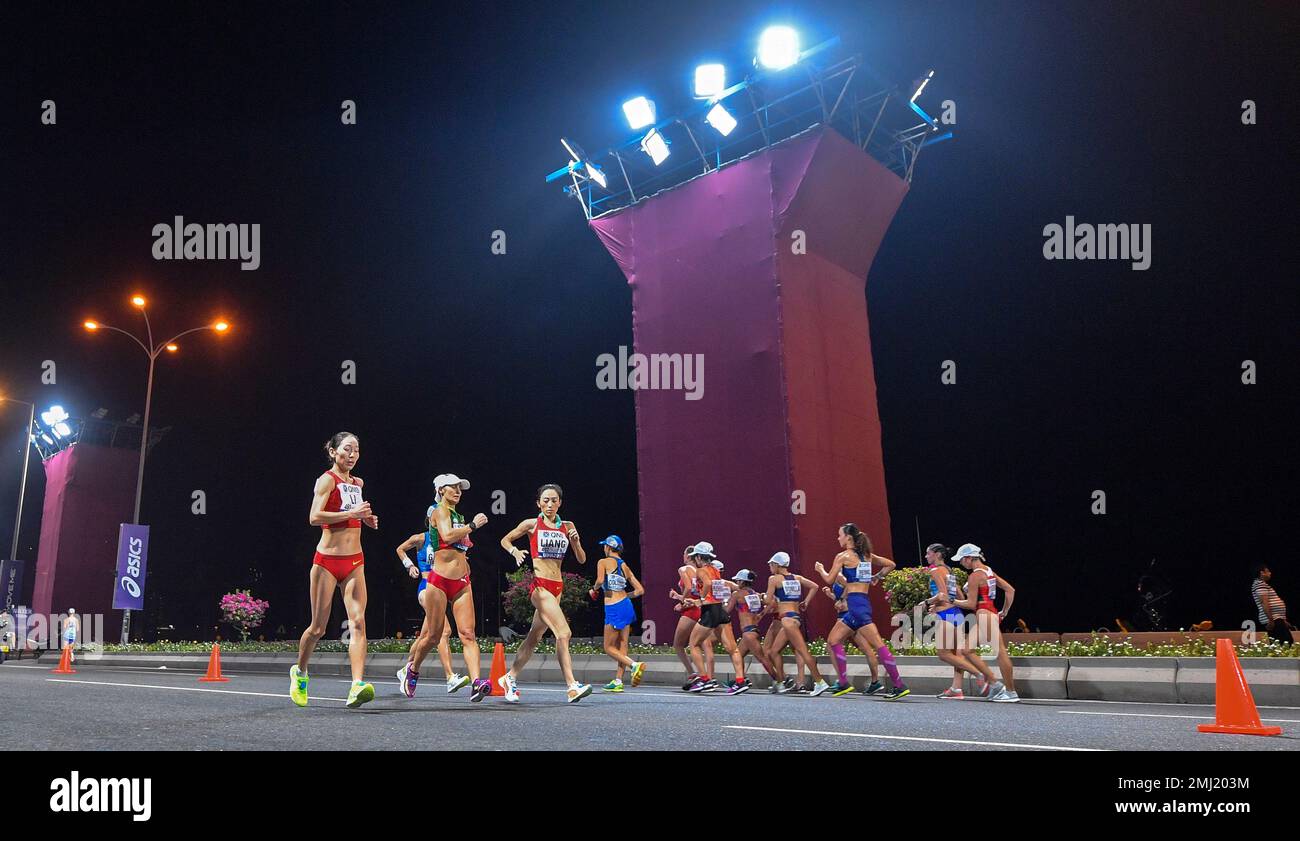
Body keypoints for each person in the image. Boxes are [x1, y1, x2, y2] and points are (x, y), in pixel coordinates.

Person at [293, 432, 378, 709]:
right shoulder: (326, 479)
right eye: (347, 449)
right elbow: (314, 517)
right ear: (332, 452)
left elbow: (353, 513)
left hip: (355, 562)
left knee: (358, 622)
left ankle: (356, 686)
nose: (352, 455)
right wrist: (350, 515)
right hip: (327, 563)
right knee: (317, 627)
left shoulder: (358, 483)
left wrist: (365, 519)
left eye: (356, 450)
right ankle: (301, 673)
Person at [498, 483, 593, 704]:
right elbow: (505, 539)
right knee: (564, 633)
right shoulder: (531, 524)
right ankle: (571, 686)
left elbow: (581, 559)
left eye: (554, 500)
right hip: (540, 587)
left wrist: (576, 543)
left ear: (560, 503)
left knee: (534, 637)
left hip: (557, 587)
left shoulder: (568, 526)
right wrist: (514, 551)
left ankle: (509, 677)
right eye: (545, 500)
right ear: (538, 503)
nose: (549, 504)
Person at [406, 474, 492, 701]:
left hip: (462, 581)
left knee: (468, 634)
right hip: (439, 581)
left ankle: (476, 683)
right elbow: (446, 535)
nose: (458, 491)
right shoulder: (438, 511)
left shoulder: (456, 515)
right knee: (434, 637)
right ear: (441, 490)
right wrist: (473, 525)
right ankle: (413, 669)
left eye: (459, 488)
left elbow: (459, 545)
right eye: (453, 487)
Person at [812, 524, 909, 700]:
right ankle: (843, 683)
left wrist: (820, 570)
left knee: (878, 645)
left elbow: (828, 579)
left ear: (848, 537)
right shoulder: (867, 556)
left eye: (840, 535)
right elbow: (891, 564)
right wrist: (876, 577)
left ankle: (899, 685)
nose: (838, 538)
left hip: (856, 606)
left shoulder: (843, 556)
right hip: (860, 604)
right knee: (833, 640)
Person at [395, 507, 469, 695]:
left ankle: (406, 670)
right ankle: (450, 677)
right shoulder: (421, 538)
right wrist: (409, 566)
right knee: (444, 631)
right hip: (427, 587)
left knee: (426, 636)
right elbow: (400, 549)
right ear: (430, 519)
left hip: (444, 588)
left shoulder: (450, 540)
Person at [924, 543, 996, 700]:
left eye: (928, 553)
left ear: (937, 555)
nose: (926, 556)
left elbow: (942, 594)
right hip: (957, 614)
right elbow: (959, 595)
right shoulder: (949, 570)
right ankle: (956, 689)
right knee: (957, 655)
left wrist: (927, 602)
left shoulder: (935, 570)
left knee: (943, 654)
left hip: (946, 614)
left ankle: (979, 674)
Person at [951, 543, 1017, 702]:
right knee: (966, 650)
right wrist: (1004, 611)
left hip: (983, 614)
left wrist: (952, 600)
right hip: (990, 613)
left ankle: (1011, 692)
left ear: (969, 558)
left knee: (1000, 653)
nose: (961, 563)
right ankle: (995, 685)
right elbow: (1010, 590)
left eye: (961, 560)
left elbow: (970, 604)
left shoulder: (974, 576)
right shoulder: (988, 571)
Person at [682, 542, 751, 694]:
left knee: (693, 644)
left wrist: (700, 599)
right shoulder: (715, 569)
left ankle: (704, 679)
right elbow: (715, 587)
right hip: (720, 610)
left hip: (710, 611)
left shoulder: (701, 570)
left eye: (695, 557)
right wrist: (698, 600)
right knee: (732, 649)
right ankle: (740, 681)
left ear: (699, 557)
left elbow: (707, 585)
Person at [763, 551, 830, 697]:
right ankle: (780, 683)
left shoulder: (774, 579)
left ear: (776, 565)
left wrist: (763, 597)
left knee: (803, 652)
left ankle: (820, 682)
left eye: (771, 565)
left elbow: (768, 601)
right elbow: (815, 586)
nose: (770, 567)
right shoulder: (796, 578)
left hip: (787, 620)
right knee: (774, 651)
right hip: (795, 618)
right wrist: (806, 602)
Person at [589, 534, 646, 692]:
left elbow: (600, 581)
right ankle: (618, 681)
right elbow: (640, 590)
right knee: (622, 644)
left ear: (608, 547)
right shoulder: (624, 565)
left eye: (604, 546)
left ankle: (634, 665)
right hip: (626, 605)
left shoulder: (603, 562)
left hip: (613, 607)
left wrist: (594, 590)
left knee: (608, 647)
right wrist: (625, 596)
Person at [818, 575, 883, 695]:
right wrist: (831, 595)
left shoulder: (840, 576)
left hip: (846, 616)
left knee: (831, 645)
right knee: (866, 648)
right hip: (849, 614)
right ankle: (875, 682)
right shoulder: (843, 576)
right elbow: (841, 598)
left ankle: (842, 682)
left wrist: (820, 570)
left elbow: (848, 589)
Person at [729, 568, 782, 694]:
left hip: (748, 633)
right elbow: (773, 602)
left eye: (737, 580)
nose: (736, 583)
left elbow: (726, 610)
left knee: (762, 658)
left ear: (742, 581)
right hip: (754, 630)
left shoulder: (737, 594)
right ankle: (741, 680)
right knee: (738, 655)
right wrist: (761, 614)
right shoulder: (756, 594)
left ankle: (779, 681)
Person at [668, 545, 703, 689]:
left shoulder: (683, 569)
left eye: (683, 554)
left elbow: (688, 588)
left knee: (678, 645)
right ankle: (704, 676)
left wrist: (681, 601)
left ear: (688, 556)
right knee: (698, 644)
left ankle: (694, 675)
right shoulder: (700, 571)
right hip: (700, 607)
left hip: (690, 610)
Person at [1252, 564, 1293, 644]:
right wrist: (1271, 620)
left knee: (1280, 643)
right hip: (1273, 619)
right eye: (1268, 571)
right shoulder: (1259, 585)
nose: (1270, 573)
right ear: (1262, 573)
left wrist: (1283, 620)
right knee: (1285, 642)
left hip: (1276, 618)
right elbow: (1264, 603)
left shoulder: (1262, 585)